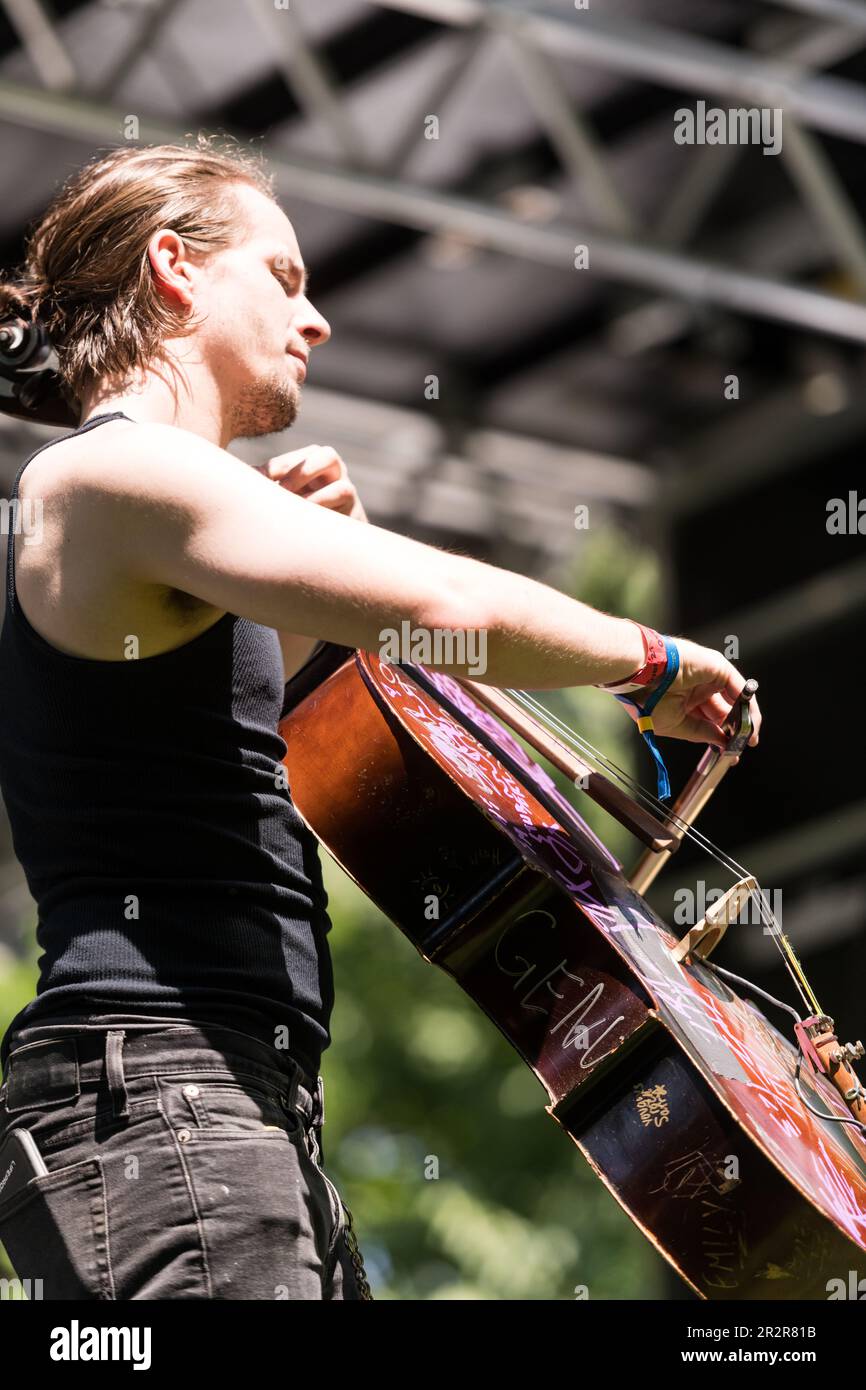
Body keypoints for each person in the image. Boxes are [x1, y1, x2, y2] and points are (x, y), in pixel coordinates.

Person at [0, 138, 760, 1301]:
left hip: (224, 1093)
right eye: (285, 278)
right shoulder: (106, 478)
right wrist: (641, 659)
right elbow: (438, 612)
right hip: (165, 1087)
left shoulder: (155, 514)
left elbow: (238, 733)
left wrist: (313, 580)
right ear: (174, 268)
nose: (315, 321)